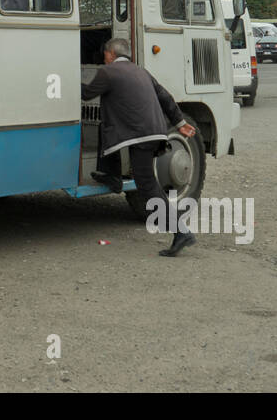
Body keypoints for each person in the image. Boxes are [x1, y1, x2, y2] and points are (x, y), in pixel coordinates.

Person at [82, 37, 199, 257]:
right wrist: (180, 124)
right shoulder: (141, 71)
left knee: (146, 185)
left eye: (105, 54)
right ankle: (112, 176)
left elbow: (87, 94)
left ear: (110, 54)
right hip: (155, 130)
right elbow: (165, 96)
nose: (104, 58)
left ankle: (181, 232)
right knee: (105, 129)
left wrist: (64, 77)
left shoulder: (108, 73)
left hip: (139, 135)